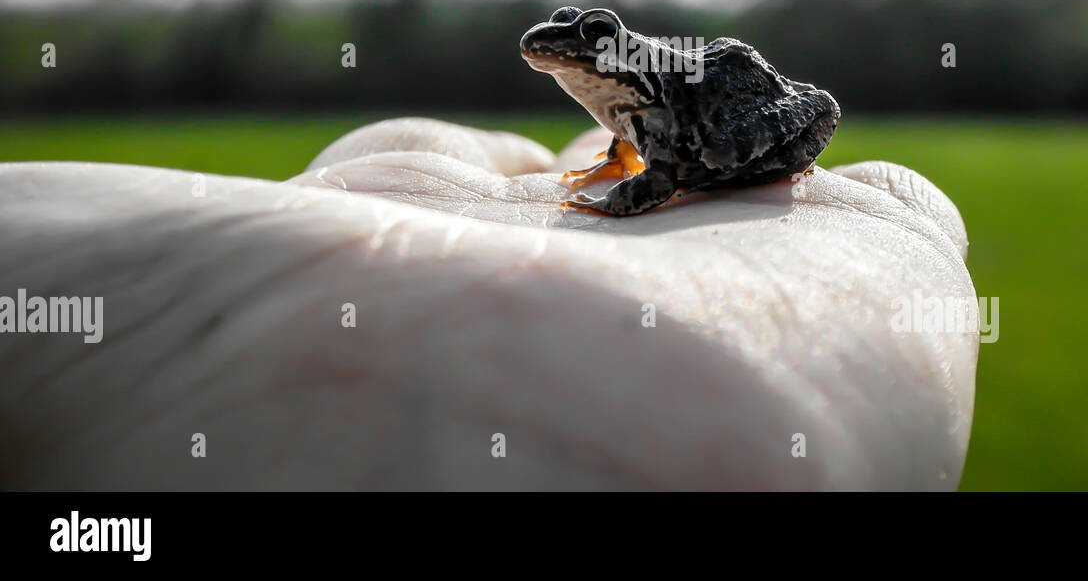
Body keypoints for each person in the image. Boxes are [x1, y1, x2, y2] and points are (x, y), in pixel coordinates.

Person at [0, 118, 975, 490]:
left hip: (729, 115)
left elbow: (654, 153)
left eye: (581, 40)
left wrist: (643, 176)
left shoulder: (644, 89)